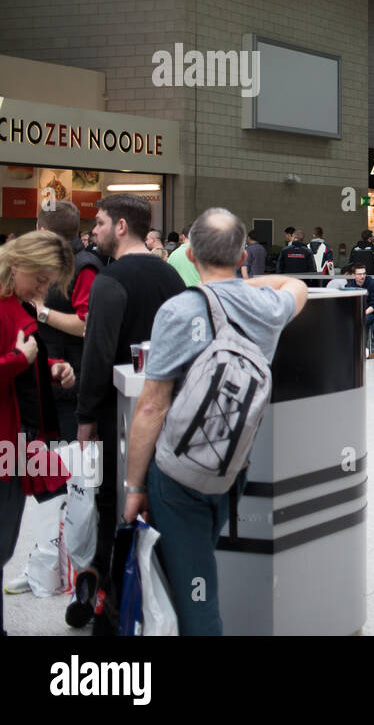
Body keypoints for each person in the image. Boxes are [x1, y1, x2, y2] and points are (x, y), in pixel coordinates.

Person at [122, 208, 307, 635]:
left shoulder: (178, 310)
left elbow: (152, 407)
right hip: (230, 469)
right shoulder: (269, 307)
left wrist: (134, 487)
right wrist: (246, 285)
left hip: (175, 477)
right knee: (197, 564)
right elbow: (296, 286)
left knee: (195, 593)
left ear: (188, 250)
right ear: (244, 255)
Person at [73, 194, 186, 631]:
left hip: (117, 420)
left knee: (112, 508)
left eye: (99, 223)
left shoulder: (109, 281)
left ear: (122, 226)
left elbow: (96, 357)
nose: (94, 230)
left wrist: (85, 418)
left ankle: (110, 606)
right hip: (168, 418)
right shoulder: (173, 277)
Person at [0, 231, 78, 635]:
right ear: (20, 262)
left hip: (16, 440)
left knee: (5, 542)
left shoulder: (16, 304)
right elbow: (12, 362)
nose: (44, 288)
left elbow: (20, 370)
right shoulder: (5, 306)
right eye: (42, 279)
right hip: (7, 441)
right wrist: (18, 360)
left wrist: (46, 369)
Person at [34, 200, 103, 440]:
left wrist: (41, 312)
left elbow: (86, 325)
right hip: (49, 378)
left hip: (69, 384)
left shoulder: (83, 267)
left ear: (42, 231)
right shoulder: (51, 263)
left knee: (66, 463)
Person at [350, 264, 374, 338]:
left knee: (363, 320)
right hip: (354, 314)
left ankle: (362, 346)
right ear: (353, 275)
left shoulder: (372, 284)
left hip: (370, 313)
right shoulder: (349, 286)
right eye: (359, 274)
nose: (362, 276)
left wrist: (362, 314)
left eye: (364, 273)